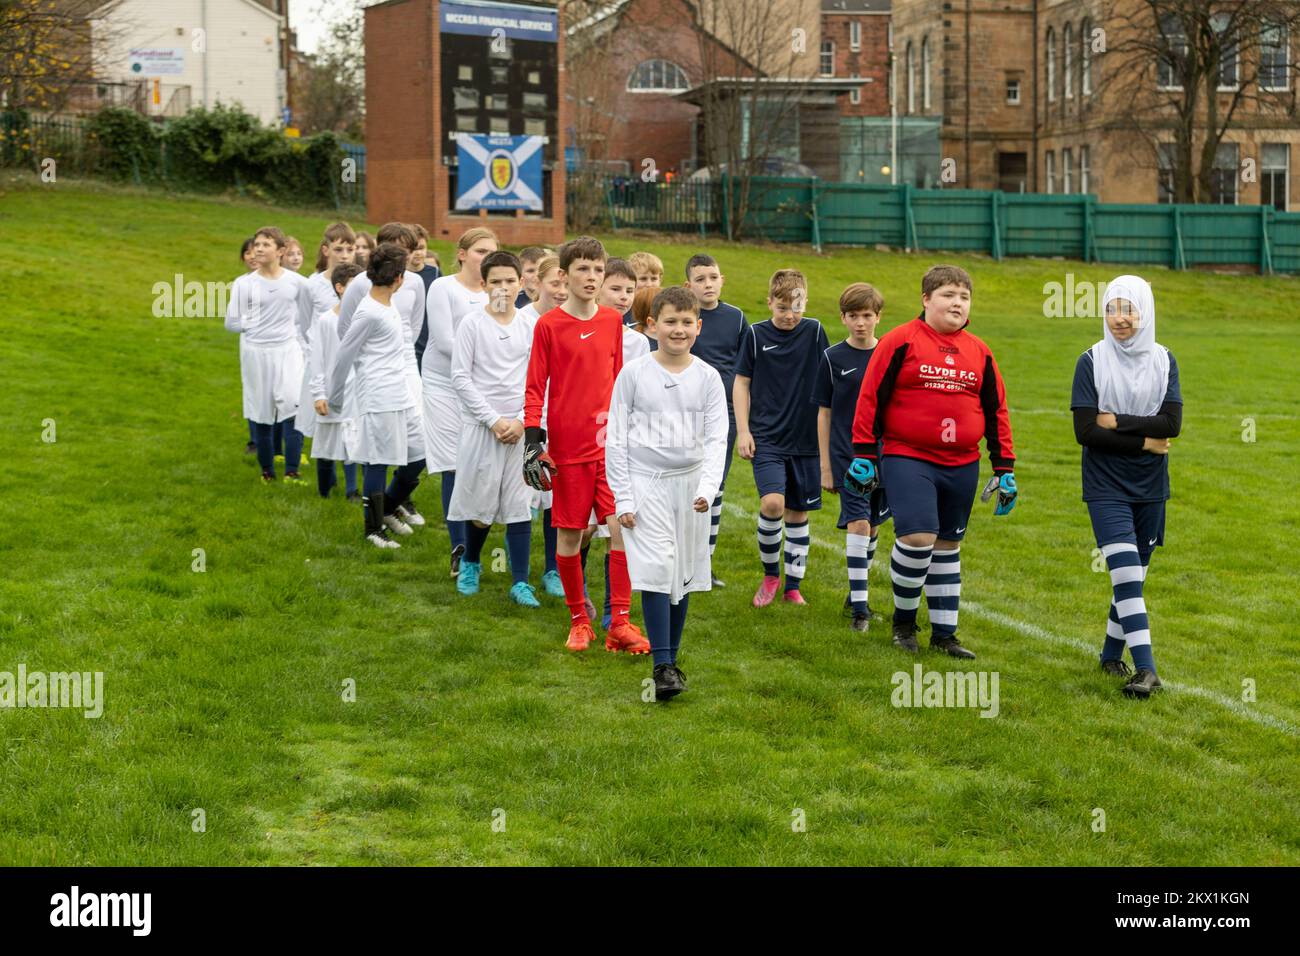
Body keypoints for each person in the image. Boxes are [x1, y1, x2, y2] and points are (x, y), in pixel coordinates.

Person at [847, 264, 1018, 659]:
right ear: (926, 299)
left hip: (962, 462)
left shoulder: (980, 351)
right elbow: (870, 396)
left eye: (964, 297)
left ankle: (944, 636)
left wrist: (1004, 467)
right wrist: (864, 453)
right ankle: (904, 624)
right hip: (909, 456)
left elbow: (996, 409)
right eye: (948, 295)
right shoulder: (900, 341)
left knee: (947, 545)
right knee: (917, 537)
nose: (957, 303)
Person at [522, 236, 647, 654]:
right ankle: (579, 621)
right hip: (568, 450)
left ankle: (620, 623)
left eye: (597, 269)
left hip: (609, 448)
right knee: (570, 538)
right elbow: (535, 387)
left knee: (621, 529)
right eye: (583, 269)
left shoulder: (611, 322)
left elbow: (619, 384)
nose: (591, 277)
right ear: (564, 275)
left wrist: (629, 434)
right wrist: (533, 442)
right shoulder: (548, 325)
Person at [607, 286, 727, 701]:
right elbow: (616, 438)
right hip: (646, 482)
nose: (679, 329)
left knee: (683, 571)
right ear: (651, 325)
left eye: (686, 322)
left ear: (699, 326)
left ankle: (671, 662)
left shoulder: (708, 377)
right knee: (657, 566)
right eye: (670, 321)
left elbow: (717, 439)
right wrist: (623, 496)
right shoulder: (634, 373)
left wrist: (708, 488)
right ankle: (661, 665)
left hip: (690, 486)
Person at [1071, 275, 1181, 698]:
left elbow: (1171, 424)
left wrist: (1115, 420)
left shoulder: (1165, 360)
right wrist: (1144, 442)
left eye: (1128, 309)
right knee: (1127, 575)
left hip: (1151, 486)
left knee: (1135, 575)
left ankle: (1109, 655)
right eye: (1111, 309)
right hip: (1106, 485)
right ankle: (1147, 669)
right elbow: (1086, 432)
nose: (1119, 318)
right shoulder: (1091, 361)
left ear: (1145, 311)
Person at [447, 251, 540, 607]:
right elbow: (461, 377)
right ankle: (471, 562)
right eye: (495, 281)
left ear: (521, 283)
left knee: (519, 503)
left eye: (509, 281)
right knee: (480, 503)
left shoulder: (530, 327)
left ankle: (520, 582)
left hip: (519, 428)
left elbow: (539, 379)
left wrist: (520, 419)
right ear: (484, 285)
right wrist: (493, 420)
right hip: (482, 427)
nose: (503, 287)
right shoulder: (472, 324)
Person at [734, 269, 829, 607]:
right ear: (770, 302)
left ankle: (793, 587)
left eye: (797, 308)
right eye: (783, 308)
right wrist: (743, 430)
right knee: (773, 503)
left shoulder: (814, 331)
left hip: (806, 440)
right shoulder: (755, 335)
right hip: (767, 437)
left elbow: (829, 380)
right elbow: (741, 382)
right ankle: (771, 575)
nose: (790, 315)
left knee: (798, 514)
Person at [329, 243, 427, 549]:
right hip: (378, 397)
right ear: (398, 278)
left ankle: (387, 508)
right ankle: (373, 530)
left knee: (419, 453)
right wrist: (334, 399)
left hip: (401, 394)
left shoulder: (388, 305)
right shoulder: (369, 312)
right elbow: (343, 355)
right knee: (378, 462)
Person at [812, 282, 891, 632]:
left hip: (887, 457)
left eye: (867, 315)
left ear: (878, 317)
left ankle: (854, 595)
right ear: (843, 318)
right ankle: (860, 610)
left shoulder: (889, 354)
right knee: (858, 524)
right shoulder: (832, 357)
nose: (861, 323)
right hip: (849, 459)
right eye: (854, 316)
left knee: (872, 527)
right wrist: (826, 467)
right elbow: (824, 413)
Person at [423, 227, 499, 576]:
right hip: (442, 385)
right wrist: (489, 357)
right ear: (462, 254)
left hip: (480, 388)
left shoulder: (497, 293)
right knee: (454, 464)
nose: (486, 257)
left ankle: (475, 542)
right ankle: (459, 549)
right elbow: (443, 341)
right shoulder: (443, 287)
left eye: (492, 252)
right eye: (481, 251)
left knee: (477, 466)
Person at [591, 258, 651, 628]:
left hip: (621, 444)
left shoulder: (638, 342)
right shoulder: (580, 330)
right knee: (581, 530)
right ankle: (577, 594)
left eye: (629, 290)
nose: (623, 297)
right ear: (596, 288)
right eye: (615, 289)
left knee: (619, 527)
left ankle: (614, 611)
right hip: (583, 440)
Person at [684, 253, 749, 586]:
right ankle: (681, 559)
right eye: (700, 279)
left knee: (714, 486)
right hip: (684, 415)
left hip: (725, 415)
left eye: (713, 277)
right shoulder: (683, 316)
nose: (708, 284)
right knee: (683, 484)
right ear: (688, 285)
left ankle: (704, 564)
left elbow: (746, 370)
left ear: (722, 279)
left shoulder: (736, 318)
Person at [225, 226, 308, 482]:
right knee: (262, 412)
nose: (258, 249)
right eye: (257, 244)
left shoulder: (298, 283)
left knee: (293, 406)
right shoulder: (244, 284)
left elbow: (306, 319)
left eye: (265, 244)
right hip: (256, 353)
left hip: (288, 351)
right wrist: (253, 324)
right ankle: (267, 472)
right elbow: (231, 323)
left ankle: (292, 471)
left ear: (280, 251)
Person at [516, 254, 567, 598]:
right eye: (555, 284)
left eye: (566, 284)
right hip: (528, 417)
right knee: (522, 497)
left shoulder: (572, 321)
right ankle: (518, 574)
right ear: (538, 283)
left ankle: (553, 569)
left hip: (561, 418)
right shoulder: (522, 321)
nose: (561, 291)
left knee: (555, 500)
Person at [302, 262, 364, 498]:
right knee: (327, 443)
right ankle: (324, 493)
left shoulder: (365, 319)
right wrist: (319, 393)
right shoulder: (326, 321)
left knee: (353, 440)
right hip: (331, 390)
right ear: (340, 288)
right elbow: (317, 359)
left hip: (357, 390)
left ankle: (352, 490)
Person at [410, 223, 442, 370]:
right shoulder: (398, 274)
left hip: (428, 335)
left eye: (421, 248)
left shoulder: (434, 273)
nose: (418, 253)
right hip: (408, 338)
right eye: (413, 249)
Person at [625, 251, 664, 325]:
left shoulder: (666, 307)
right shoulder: (623, 307)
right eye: (643, 279)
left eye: (654, 279)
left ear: (660, 280)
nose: (649, 284)